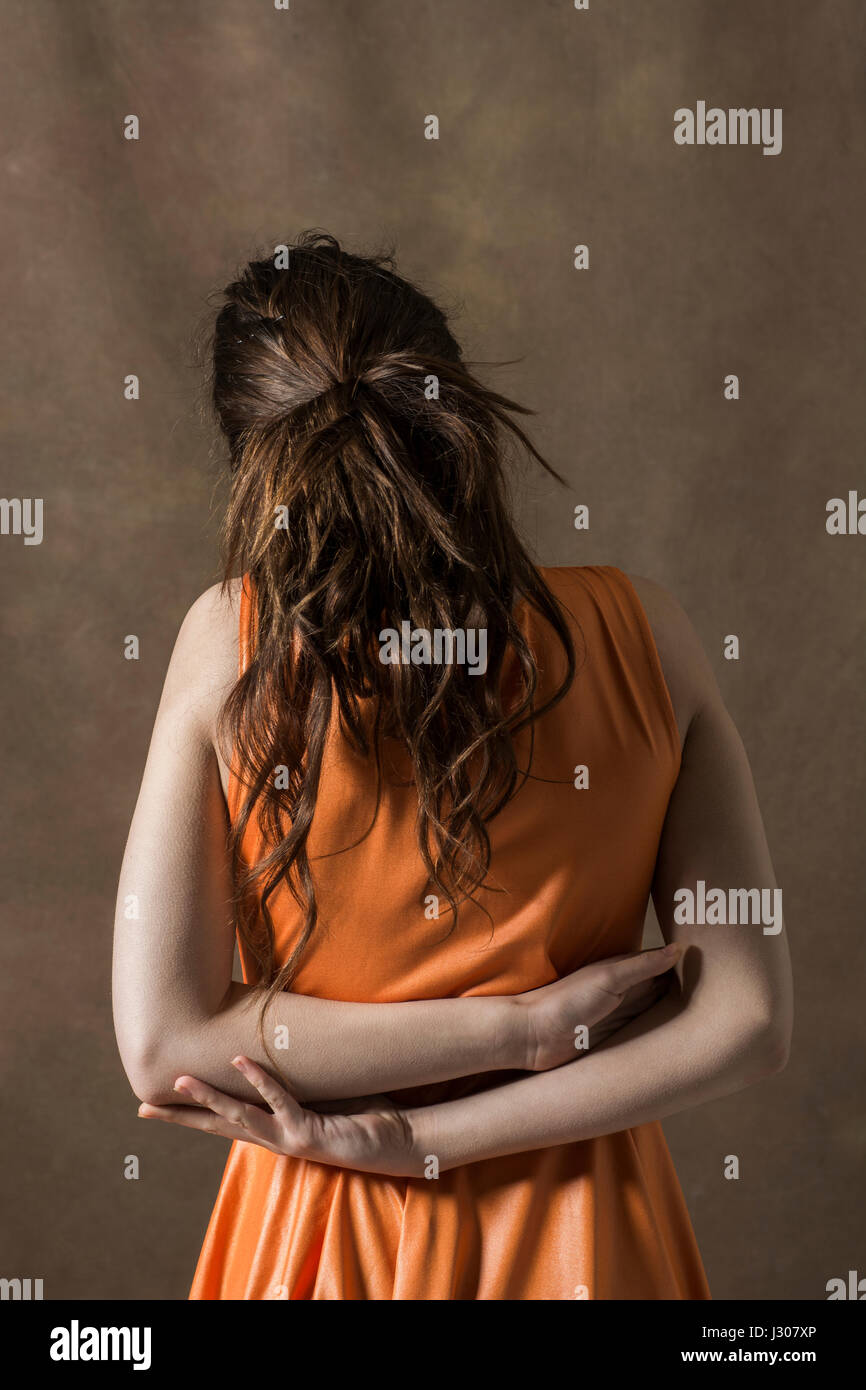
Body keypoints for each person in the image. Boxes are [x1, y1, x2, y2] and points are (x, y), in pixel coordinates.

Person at [112, 230, 792, 1300]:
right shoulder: (642, 634)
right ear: (456, 412)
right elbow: (745, 1017)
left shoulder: (228, 646)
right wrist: (504, 1056)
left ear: (252, 459)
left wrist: (444, 1098)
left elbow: (165, 1044)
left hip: (320, 1228)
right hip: (588, 1240)